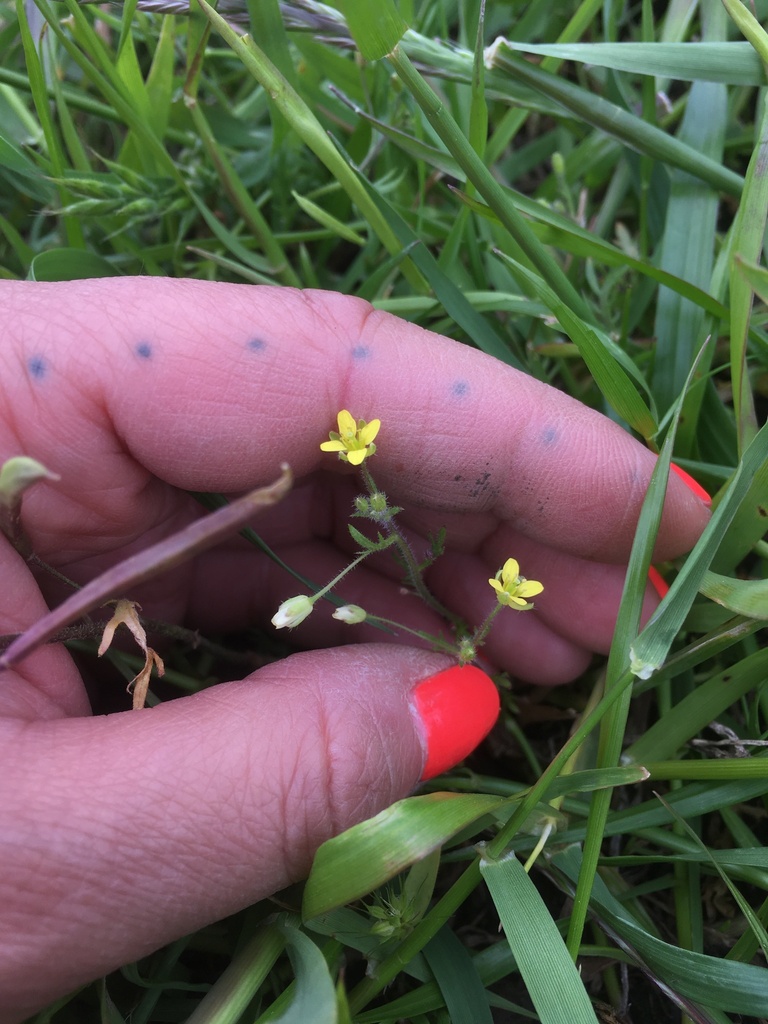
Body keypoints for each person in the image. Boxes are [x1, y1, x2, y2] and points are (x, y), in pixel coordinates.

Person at [0, 278, 710, 1021]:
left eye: (356, 442)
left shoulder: (386, 505)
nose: (354, 447)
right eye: (351, 444)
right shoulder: (346, 500)